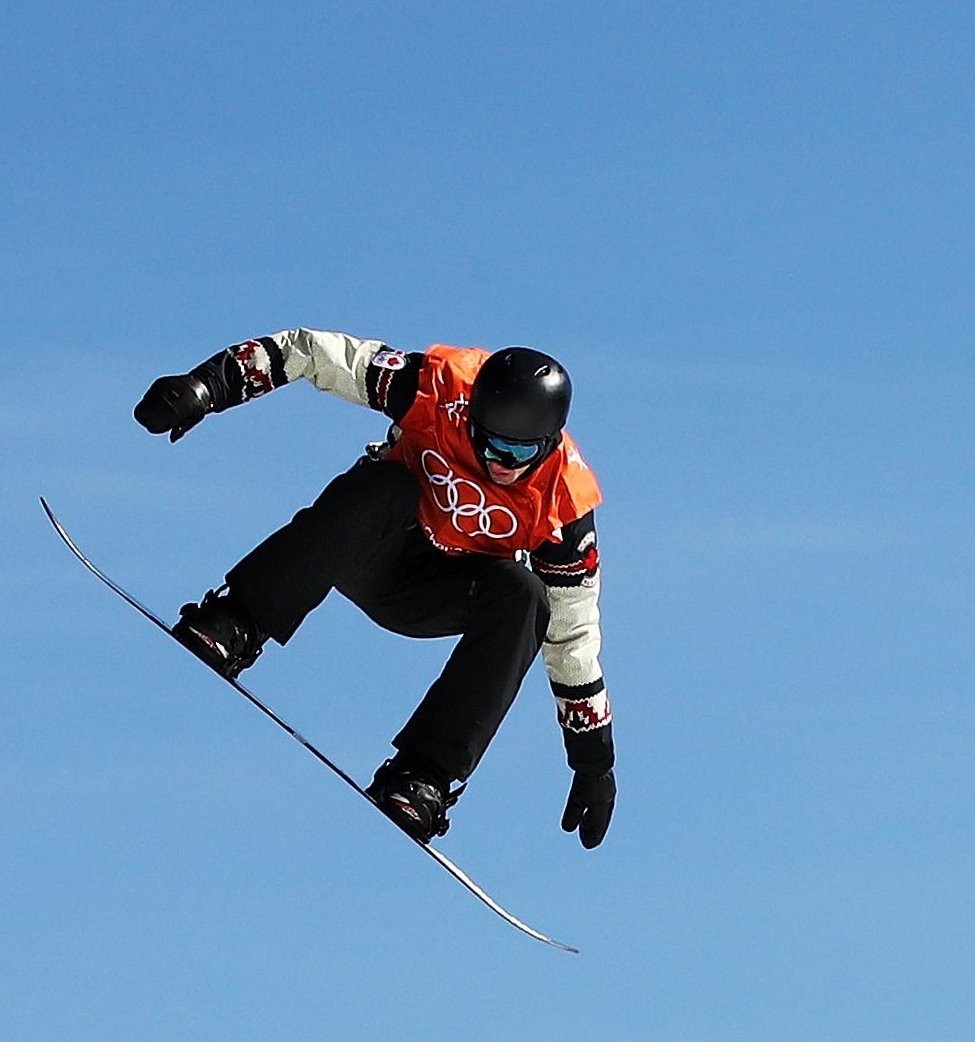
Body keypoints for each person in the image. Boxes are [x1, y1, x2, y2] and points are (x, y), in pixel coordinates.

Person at [134, 334, 615, 849]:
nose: (498, 460)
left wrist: (593, 759)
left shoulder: (563, 507)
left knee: (526, 597)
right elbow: (314, 354)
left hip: (438, 592)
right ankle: (239, 620)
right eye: (486, 440)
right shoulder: (435, 387)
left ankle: (423, 776)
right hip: (370, 544)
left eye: (517, 450)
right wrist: (208, 386)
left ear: (548, 442)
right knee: (389, 485)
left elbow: (573, 640)